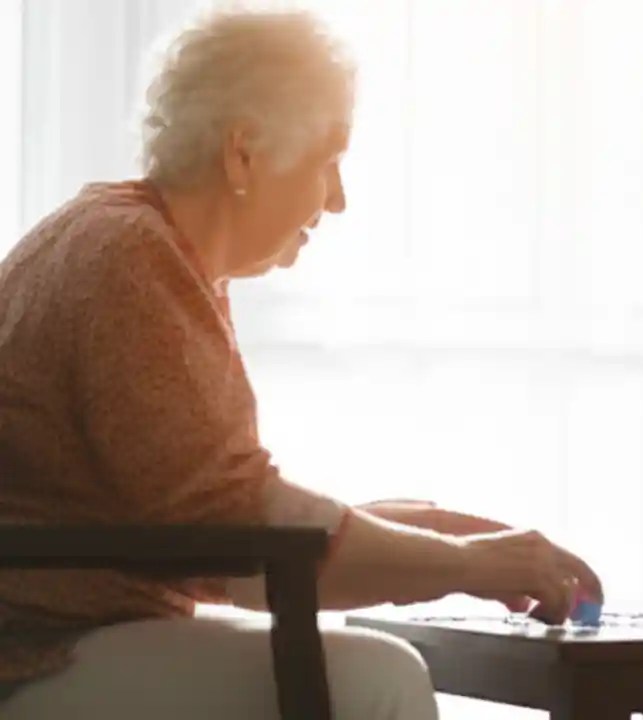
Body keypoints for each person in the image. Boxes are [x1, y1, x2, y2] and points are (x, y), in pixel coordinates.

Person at [0, 8, 601, 720]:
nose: (338, 199)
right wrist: (464, 566)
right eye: (328, 161)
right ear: (244, 153)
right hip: (35, 655)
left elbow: (226, 534)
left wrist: (432, 536)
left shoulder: (126, 241)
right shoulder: (130, 259)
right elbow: (233, 523)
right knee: (380, 680)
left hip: (57, 637)